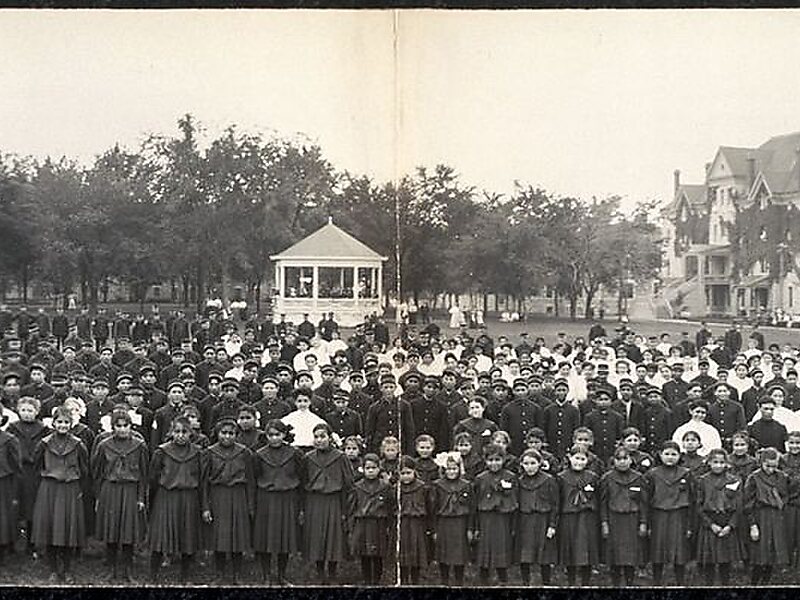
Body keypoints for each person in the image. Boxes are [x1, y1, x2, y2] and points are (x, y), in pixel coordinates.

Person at [31, 406, 89, 583]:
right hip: (49, 489)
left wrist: (77, 486)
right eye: (59, 422)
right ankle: (54, 570)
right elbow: (36, 464)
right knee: (50, 530)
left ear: (71, 424)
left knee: (68, 530)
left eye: (66, 422)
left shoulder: (78, 445)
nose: (63, 425)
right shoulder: (44, 443)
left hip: (70, 490)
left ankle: (68, 569)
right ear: (53, 423)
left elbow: (84, 469)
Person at [92, 409, 149, 582]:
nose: (122, 429)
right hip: (110, 489)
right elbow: (97, 472)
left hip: (130, 490)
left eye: (126, 426)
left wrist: (140, 498)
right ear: (113, 427)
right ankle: (111, 568)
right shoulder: (104, 445)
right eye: (119, 426)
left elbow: (144, 475)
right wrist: (98, 496)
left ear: (131, 426)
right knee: (112, 529)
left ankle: (127, 569)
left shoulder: (140, 446)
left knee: (128, 531)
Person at [148, 415, 205, 584]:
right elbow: (153, 477)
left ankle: (185, 575)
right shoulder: (161, 451)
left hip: (189, 498)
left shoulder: (197, 452)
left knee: (187, 536)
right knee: (161, 537)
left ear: (190, 433)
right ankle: (153, 574)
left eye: (184, 432)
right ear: (171, 432)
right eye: (177, 431)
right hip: (166, 497)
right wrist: (153, 500)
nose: (181, 435)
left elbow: (201, 479)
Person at [202, 417, 254, 583]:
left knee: (237, 535)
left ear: (236, 435)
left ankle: (237, 574)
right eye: (223, 433)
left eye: (231, 433)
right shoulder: (209, 452)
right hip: (218, 495)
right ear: (217, 434)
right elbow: (204, 482)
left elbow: (251, 481)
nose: (227, 436)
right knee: (220, 536)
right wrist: (205, 506)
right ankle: (220, 573)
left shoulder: (244, 452)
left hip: (238, 495)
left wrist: (250, 505)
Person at [252, 420, 304, 585]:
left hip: (287, 499)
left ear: (284, 435)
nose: (274, 438)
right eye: (270, 435)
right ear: (266, 436)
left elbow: (301, 477)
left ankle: (281, 575)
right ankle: (266, 575)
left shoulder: (294, 453)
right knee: (265, 539)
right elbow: (254, 478)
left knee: (284, 538)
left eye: (278, 434)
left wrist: (300, 506)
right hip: (266, 499)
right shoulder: (259, 455)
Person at [303, 422, 354, 584]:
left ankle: (332, 572)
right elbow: (304, 482)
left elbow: (348, 483)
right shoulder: (308, 458)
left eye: (323, 436)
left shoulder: (340, 457)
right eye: (316, 437)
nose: (319, 440)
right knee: (317, 537)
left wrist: (346, 508)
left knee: (333, 538)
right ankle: (319, 572)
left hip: (334, 501)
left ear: (330, 438)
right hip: (315, 501)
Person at [645, 440, 694, 586]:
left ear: (680, 456)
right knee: (658, 550)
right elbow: (647, 499)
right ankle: (657, 581)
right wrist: (647, 523)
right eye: (667, 454)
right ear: (660, 455)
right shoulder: (652, 474)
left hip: (679, 516)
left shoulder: (686, 473)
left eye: (674, 454)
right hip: (658, 515)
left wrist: (690, 525)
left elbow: (693, 499)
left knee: (679, 550)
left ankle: (680, 582)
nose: (670, 457)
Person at [472, 443, 517, 585]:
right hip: (485, 518)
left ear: (503, 460)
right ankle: (484, 577)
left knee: (501, 545)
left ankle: (503, 577)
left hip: (503, 518)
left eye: (497, 460)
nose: (494, 463)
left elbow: (514, 499)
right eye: (490, 460)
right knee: (485, 545)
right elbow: (476, 501)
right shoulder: (480, 478)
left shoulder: (510, 476)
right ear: (485, 461)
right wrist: (475, 526)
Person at [695, 448, 741, 586]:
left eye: (722, 462)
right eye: (715, 462)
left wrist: (730, 526)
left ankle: (725, 585)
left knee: (725, 561)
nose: (718, 465)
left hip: (727, 521)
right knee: (709, 560)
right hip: (710, 523)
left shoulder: (734, 480)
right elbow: (698, 505)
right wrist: (710, 524)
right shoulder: (702, 480)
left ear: (727, 463)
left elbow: (739, 506)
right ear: (709, 462)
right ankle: (709, 586)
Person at [745, 447, 790, 585]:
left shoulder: (782, 477)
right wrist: (753, 525)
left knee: (772, 554)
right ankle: (754, 584)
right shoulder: (754, 478)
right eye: (767, 466)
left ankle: (765, 583)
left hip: (776, 518)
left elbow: (786, 495)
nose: (771, 469)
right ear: (761, 462)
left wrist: (779, 502)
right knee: (760, 555)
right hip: (761, 518)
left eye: (774, 466)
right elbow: (747, 504)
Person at [556, 445, 599, 587]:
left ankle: (586, 581)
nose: (579, 462)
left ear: (587, 460)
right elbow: (558, 499)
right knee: (570, 548)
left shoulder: (592, 477)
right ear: (569, 458)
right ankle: (571, 580)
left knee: (586, 547)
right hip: (569, 517)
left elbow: (597, 498)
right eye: (576, 458)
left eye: (582, 459)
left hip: (586, 518)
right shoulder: (561, 477)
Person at [349, 452, 394, 585]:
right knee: (365, 553)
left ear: (379, 469)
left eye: (373, 468)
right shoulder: (357, 486)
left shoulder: (385, 487)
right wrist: (351, 525)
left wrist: (389, 524)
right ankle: (367, 579)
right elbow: (352, 506)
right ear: (363, 469)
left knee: (378, 553)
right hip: (363, 524)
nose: (370, 471)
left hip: (378, 523)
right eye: (368, 468)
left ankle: (377, 579)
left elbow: (390, 505)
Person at [516, 448, 558, 586]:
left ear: (540, 463)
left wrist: (552, 525)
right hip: (525, 521)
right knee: (525, 554)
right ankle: (525, 582)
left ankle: (546, 582)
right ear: (522, 464)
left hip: (542, 521)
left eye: (533, 463)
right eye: (526, 463)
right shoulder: (519, 481)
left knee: (544, 555)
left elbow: (555, 504)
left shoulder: (549, 480)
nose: (530, 467)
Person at [430, 452, 472, 586]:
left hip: (460, 524)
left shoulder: (466, 485)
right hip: (444, 523)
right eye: (448, 469)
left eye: (454, 468)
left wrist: (470, 528)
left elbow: (472, 508)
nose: (451, 471)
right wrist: (434, 529)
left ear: (459, 469)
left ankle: (459, 581)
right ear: (443, 470)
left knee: (459, 554)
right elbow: (434, 509)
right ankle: (444, 580)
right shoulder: (437, 485)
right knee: (444, 554)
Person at [398, 456, 428, 585]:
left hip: (417, 524)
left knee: (415, 551)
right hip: (403, 524)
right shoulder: (396, 488)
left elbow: (429, 506)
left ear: (414, 471)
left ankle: (415, 579)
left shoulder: (422, 487)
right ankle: (404, 579)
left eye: (408, 473)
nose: (406, 476)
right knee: (403, 552)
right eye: (402, 473)